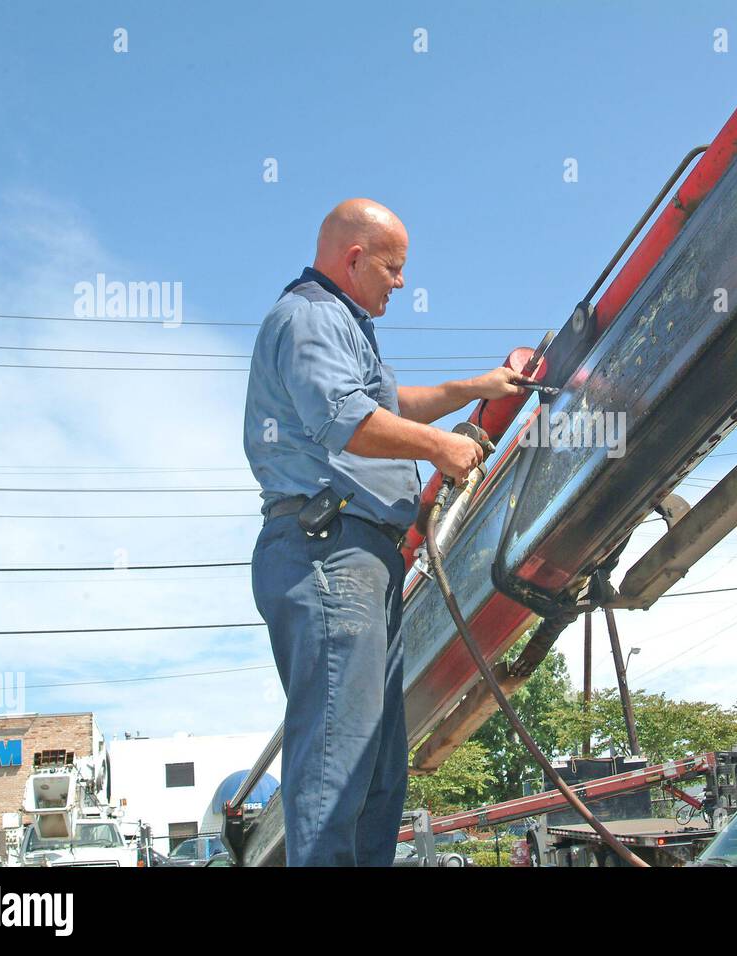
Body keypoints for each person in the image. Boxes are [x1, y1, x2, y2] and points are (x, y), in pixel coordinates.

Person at [243, 198, 528, 866]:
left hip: (361, 559)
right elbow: (347, 420)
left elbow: (386, 405)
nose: (400, 283)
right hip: (330, 555)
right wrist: (439, 448)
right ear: (354, 257)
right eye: (393, 268)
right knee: (338, 762)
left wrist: (473, 386)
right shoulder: (311, 317)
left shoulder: (342, 326)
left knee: (375, 769)